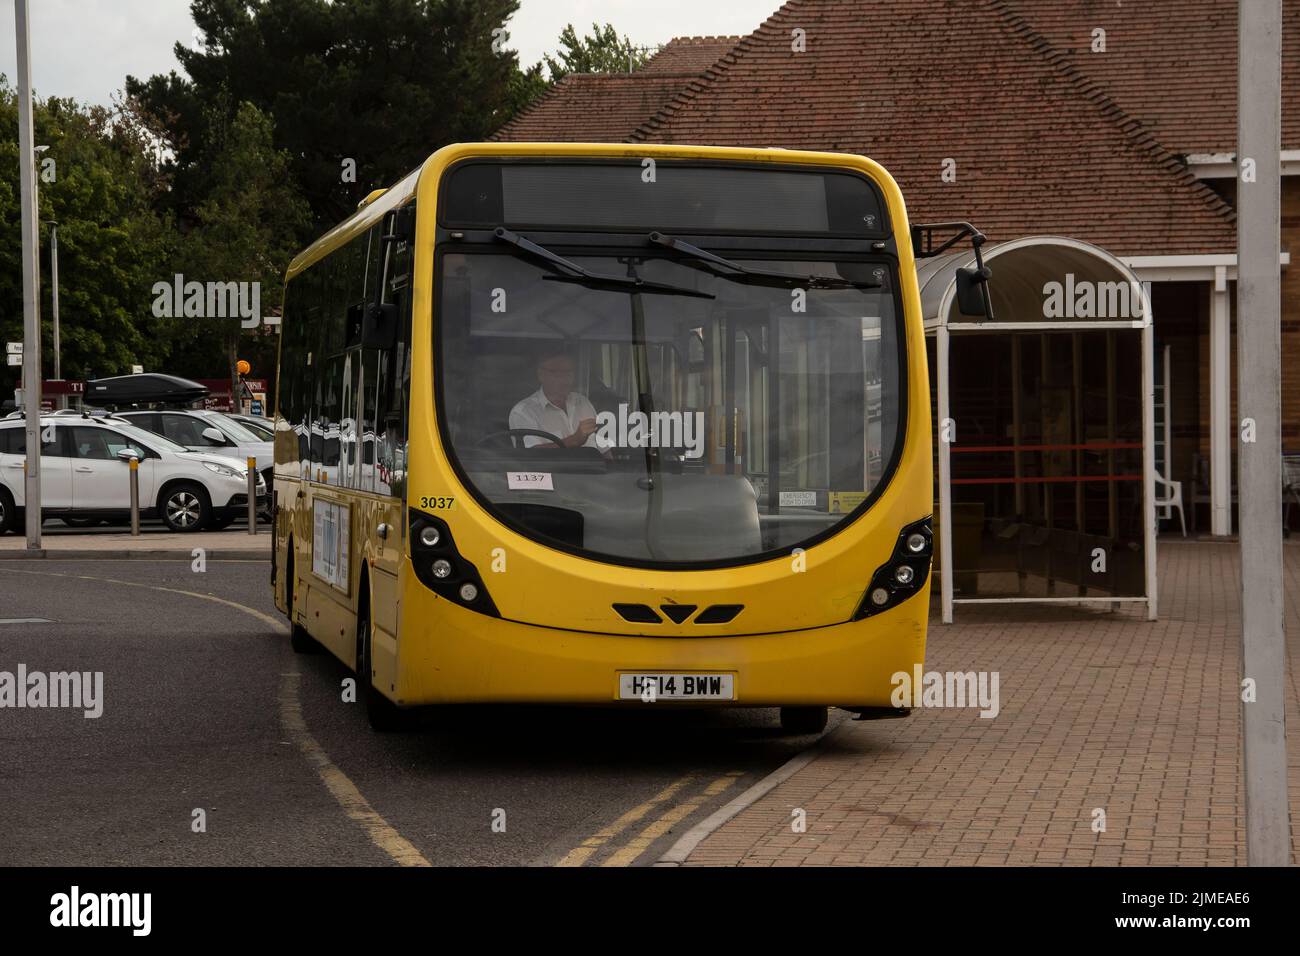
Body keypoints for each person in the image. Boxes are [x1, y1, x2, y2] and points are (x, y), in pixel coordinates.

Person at [508, 349, 600, 449]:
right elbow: (532, 457)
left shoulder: (582, 402)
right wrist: (574, 440)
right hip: (555, 465)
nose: (563, 379)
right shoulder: (524, 411)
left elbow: (603, 449)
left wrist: (610, 463)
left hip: (595, 464)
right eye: (556, 374)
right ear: (541, 375)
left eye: (568, 373)